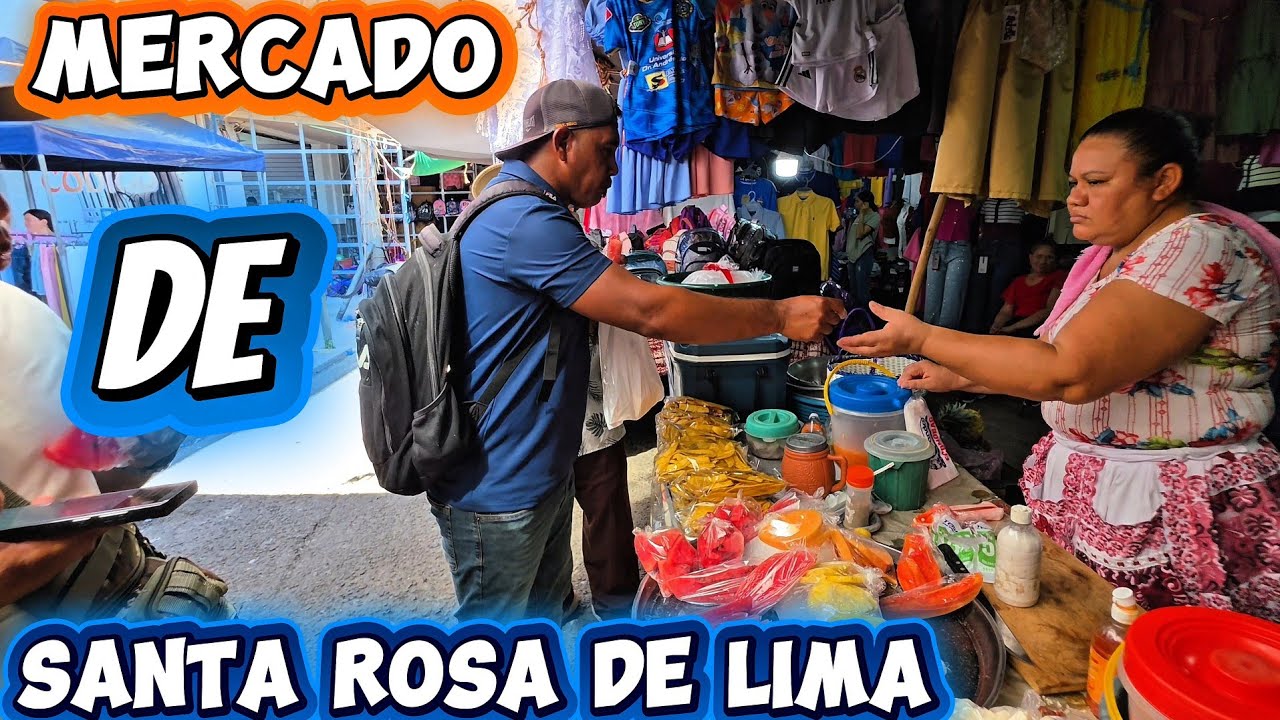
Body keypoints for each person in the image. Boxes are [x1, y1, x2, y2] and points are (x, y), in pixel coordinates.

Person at [839, 107, 1280, 621]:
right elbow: (1071, 363)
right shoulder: (1121, 253)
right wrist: (965, 375)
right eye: (1074, 182)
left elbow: (1070, 370)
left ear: (1164, 181)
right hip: (1106, 490)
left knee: (1146, 662)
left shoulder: (1199, 244)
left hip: (1173, 502)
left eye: (1096, 182)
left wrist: (923, 336)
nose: (1074, 197)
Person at [432, 79, 844, 624]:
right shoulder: (523, 223)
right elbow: (650, 311)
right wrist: (779, 314)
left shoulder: (535, 211)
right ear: (562, 142)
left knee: (543, 620)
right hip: (499, 489)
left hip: (532, 472)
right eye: (605, 152)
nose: (614, 171)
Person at [988, 241, 1067, 337]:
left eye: (1049, 257)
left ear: (1055, 261)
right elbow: (1006, 311)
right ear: (1030, 258)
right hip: (1015, 323)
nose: (1043, 261)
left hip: (1038, 326)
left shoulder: (1059, 277)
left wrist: (1013, 328)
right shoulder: (1019, 281)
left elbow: (1049, 310)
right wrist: (997, 326)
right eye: (1039, 256)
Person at [845, 190, 880, 308]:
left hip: (863, 255)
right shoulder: (857, 217)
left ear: (866, 203)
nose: (855, 204)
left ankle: (866, 318)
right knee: (853, 290)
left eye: (857, 201)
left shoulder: (874, 216)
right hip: (852, 257)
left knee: (862, 291)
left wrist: (862, 214)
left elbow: (860, 234)